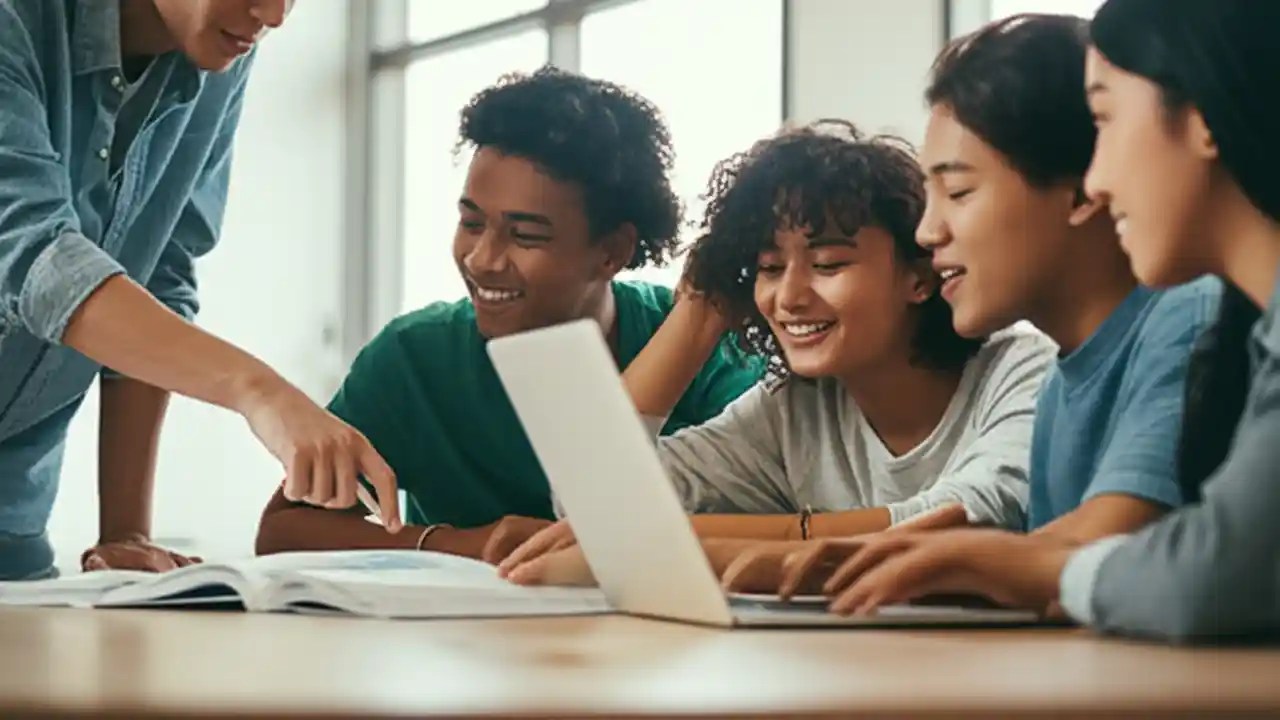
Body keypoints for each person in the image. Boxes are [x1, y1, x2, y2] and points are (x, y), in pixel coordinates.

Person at [769, 0, 1280, 643]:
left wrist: (989, 561)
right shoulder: (1067, 376)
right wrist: (960, 561)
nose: (927, 232)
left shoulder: (1193, 318)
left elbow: (1195, 568)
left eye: (958, 192)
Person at [498, 120, 1058, 587]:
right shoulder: (795, 409)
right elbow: (588, 499)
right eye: (768, 268)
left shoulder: (1020, 369)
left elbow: (964, 517)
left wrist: (681, 538)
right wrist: (698, 313)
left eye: (829, 265)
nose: (788, 296)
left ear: (919, 276)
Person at [254, 67, 763, 563]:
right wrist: (463, 544)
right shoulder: (415, 358)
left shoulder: (699, 344)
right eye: (471, 223)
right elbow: (283, 528)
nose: (481, 259)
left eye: (525, 236)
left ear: (611, 251)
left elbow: (781, 515)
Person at [0, 0, 404, 582]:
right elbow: (33, 254)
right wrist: (257, 390)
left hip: (13, 521)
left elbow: (161, 270)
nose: (274, 13)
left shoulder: (220, 56)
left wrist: (126, 534)